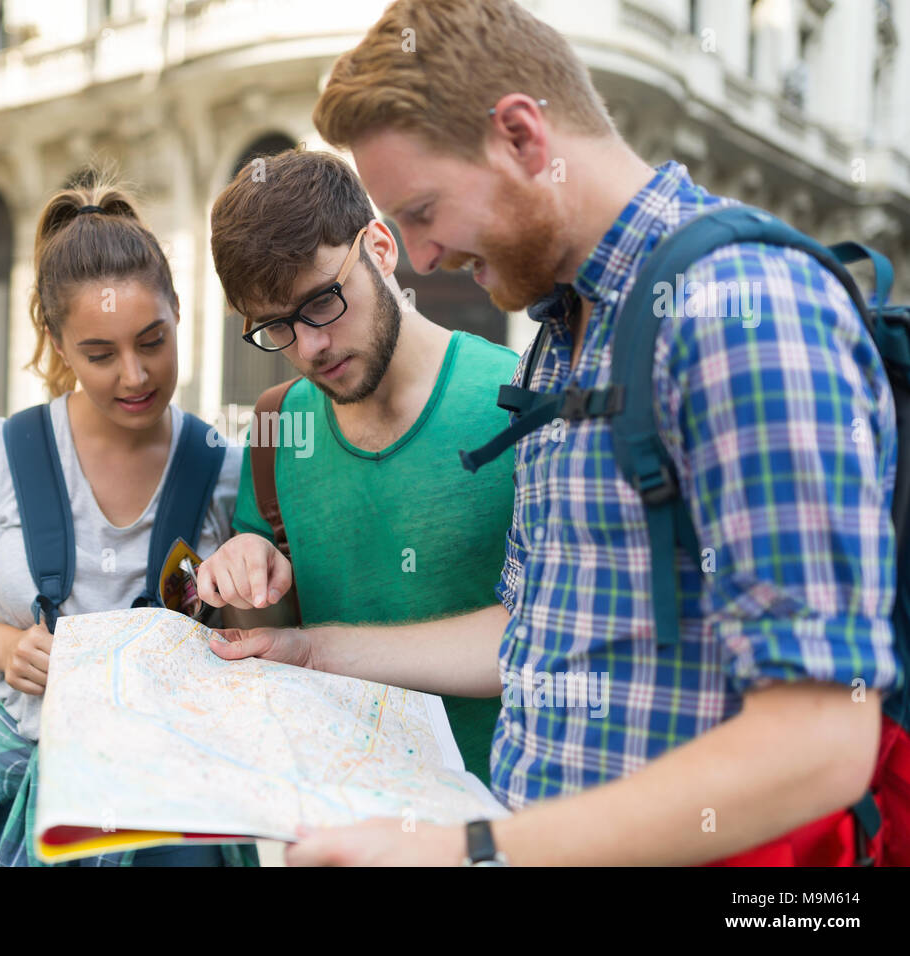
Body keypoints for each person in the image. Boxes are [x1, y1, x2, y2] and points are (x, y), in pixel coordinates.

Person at [208, 0, 901, 865]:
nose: (421, 257)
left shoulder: (740, 309)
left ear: (523, 137)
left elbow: (821, 739)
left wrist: (475, 849)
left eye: (423, 211)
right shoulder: (563, 338)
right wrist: (310, 650)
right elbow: (530, 634)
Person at [0, 175, 255, 867]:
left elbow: (267, 638)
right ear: (58, 345)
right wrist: (3, 648)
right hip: (24, 790)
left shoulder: (228, 470)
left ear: (180, 312)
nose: (134, 375)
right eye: (100, 354)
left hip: (171, 805)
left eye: (153, 340)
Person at [197, 147, 518, 785]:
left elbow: (554, 637)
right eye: (276, 326)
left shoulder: (518, 402)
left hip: (500, 828)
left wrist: (322, 650)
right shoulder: (274, 424)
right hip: (333, 823)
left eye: (322, 302)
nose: (310, 345)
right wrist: (244, 577)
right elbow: (271, 643)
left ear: (379, 246)